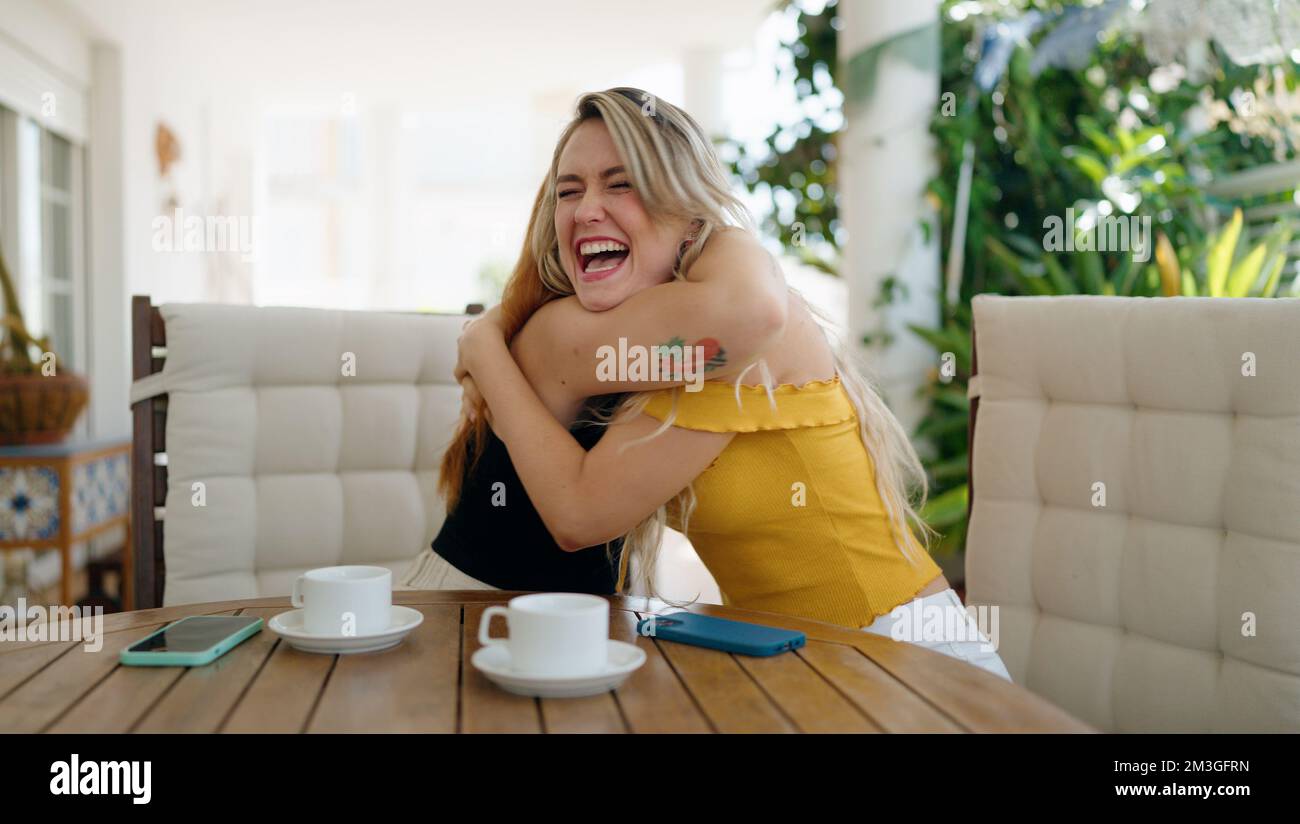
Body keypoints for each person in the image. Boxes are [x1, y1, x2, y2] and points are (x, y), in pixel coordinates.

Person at [454, 88, 1012, 682]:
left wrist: (483, 348)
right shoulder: (646, 347)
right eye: (569, 191)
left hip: (901, 656)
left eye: (622, 184)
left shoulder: (735, 338)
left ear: (687, 212)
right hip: (797, 664)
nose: (587, 209)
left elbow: (578, 515)